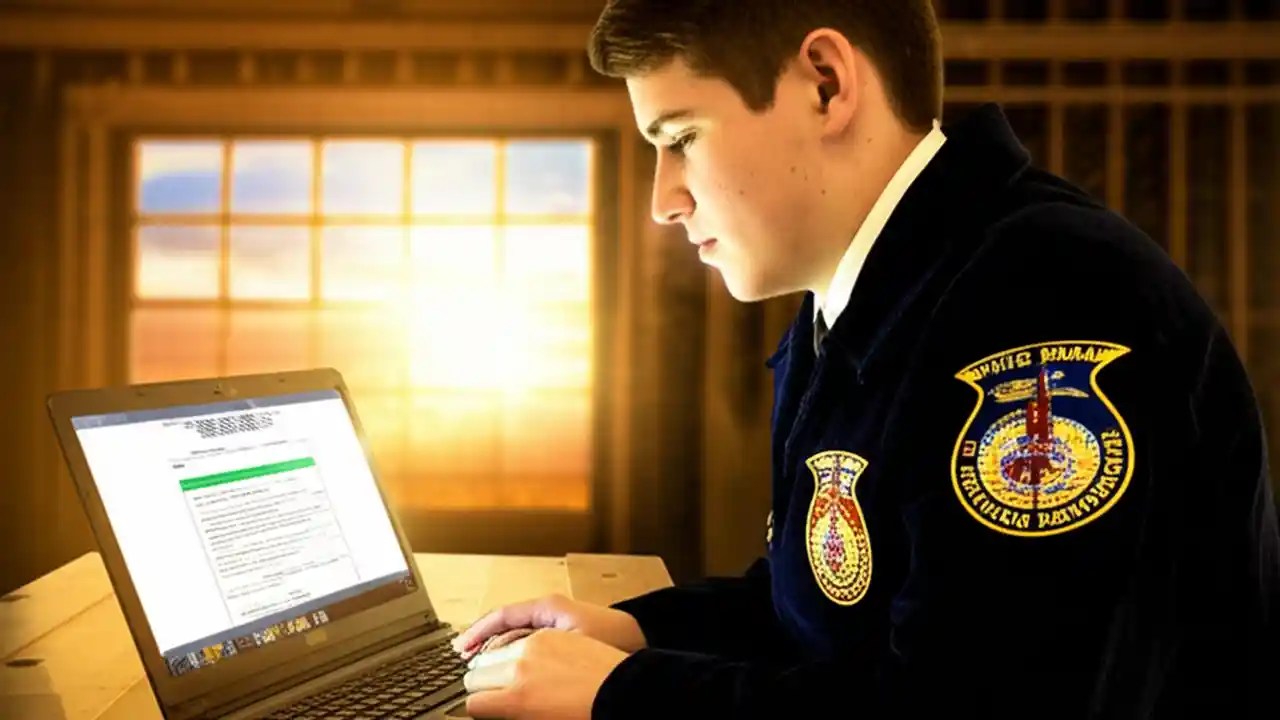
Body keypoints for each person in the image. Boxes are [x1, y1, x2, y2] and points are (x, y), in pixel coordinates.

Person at [453, 1, 1280, 718]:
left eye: (683, 138)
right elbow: (827, 604)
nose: (664, 200)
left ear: (825, 82)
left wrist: (622, 696)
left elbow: (973, 707)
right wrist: (635, 630)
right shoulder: (868, 293)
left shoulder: (1040, 302)